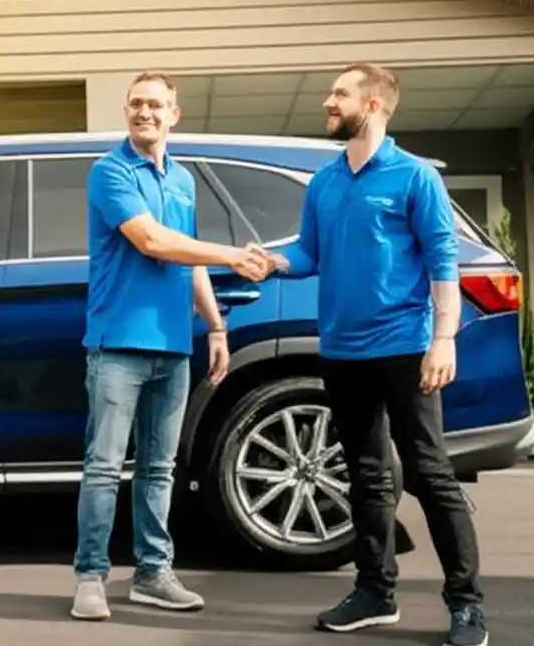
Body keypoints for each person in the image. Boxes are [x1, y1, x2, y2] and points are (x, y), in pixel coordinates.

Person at [265, 62, 488, 646]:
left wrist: (444, 338)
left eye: (339, 93)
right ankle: (374, 592)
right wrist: (271, 259)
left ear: (375, 105)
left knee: (429, 473)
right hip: (342, 350)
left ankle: (466, 605)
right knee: (365, 475)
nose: (327, 102)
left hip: (406, 347)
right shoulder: (325, 182)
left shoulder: (414, 177)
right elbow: (310, 251)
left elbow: (444, 258)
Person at [71, 71, 272, 621]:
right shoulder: (110, 172)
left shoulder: (182, 180)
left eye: (156, 105)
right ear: (127, 112)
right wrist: (233, 255)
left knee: (160, 468)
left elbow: (190, 260)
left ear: (174, 114)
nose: (145, 113)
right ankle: (90, 576)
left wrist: (216, 328)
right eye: (137, 104)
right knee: (105, 466)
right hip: (117, 345)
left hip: (172, 348)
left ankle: (152, 574)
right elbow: (154, 242)